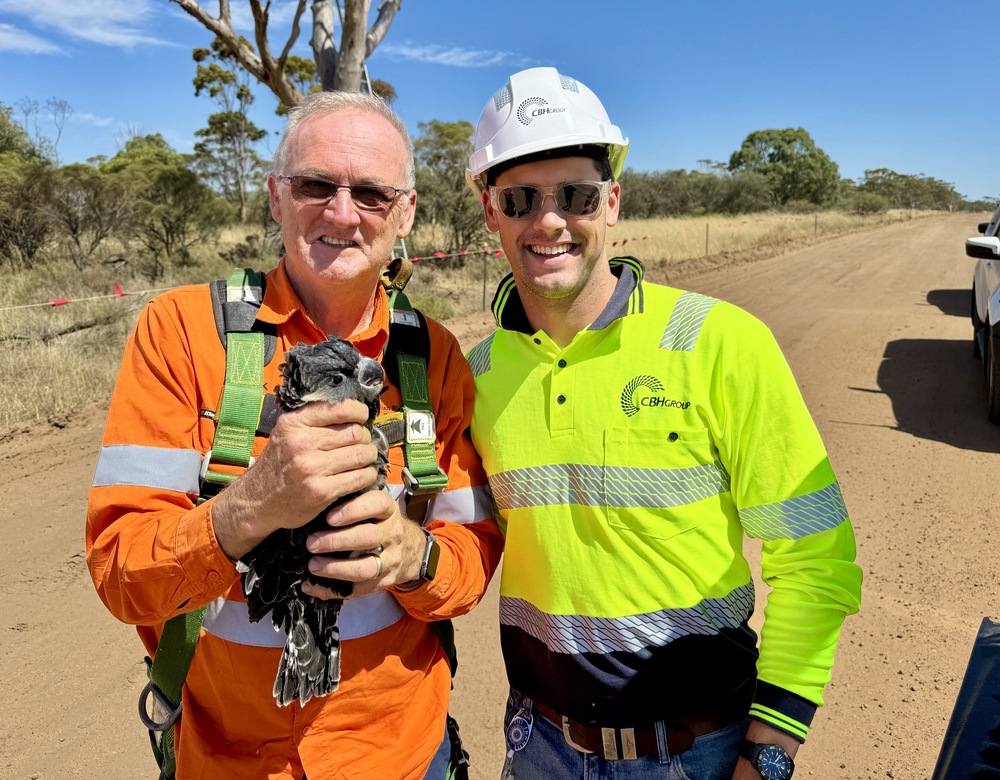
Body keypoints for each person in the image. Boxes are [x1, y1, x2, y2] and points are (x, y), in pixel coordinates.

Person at [86, 90, 504, 780]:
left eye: (371, 194)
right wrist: (247, 510)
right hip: (227, 758)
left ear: (406, 214)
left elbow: (470, 561)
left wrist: (412, 558)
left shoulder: (432, 359)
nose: (341, 213)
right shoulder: (184, 334)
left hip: (400, 754)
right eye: (315, 185)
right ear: (277, 198)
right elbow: (121, 573)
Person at [464, 67, 862, 780]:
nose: (550, 220)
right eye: (521, 198)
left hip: (695, 754)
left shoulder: (719, 342)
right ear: (490, 212)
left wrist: (769, 751)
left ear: (612, 202)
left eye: (577, 196)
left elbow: (815, 559)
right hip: (539, 749)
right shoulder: (477, 375)